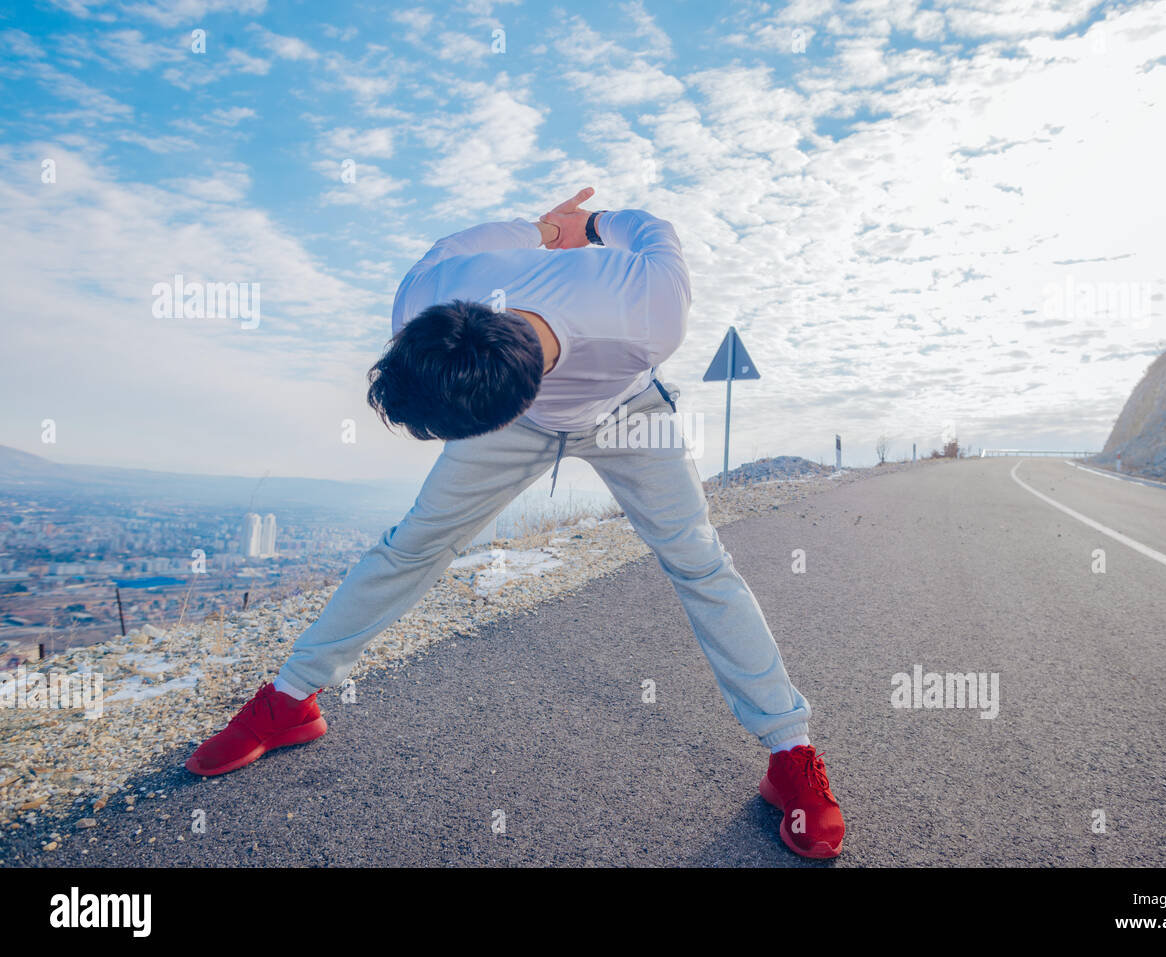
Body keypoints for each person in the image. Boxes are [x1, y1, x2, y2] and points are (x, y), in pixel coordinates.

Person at [186, 187, 845, 859]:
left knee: (699, 560)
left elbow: (656, 230)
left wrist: (591, 225)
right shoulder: (427, 294)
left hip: (627, 412)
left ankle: (789, 752)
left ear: (511, 403)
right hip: (516, 411)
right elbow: (455, 244)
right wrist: (539, 228)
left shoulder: (645, 306)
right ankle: (289, 699)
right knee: (413, 543)